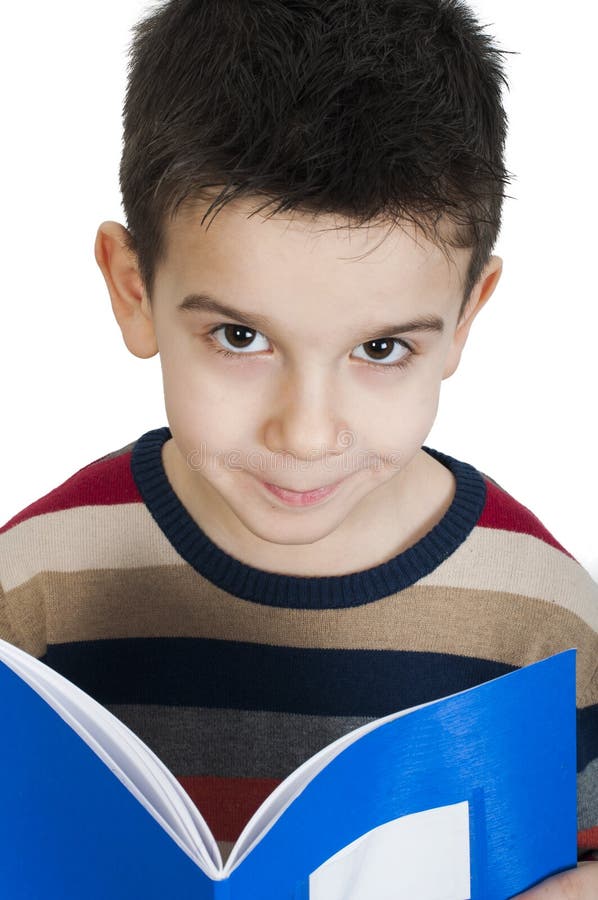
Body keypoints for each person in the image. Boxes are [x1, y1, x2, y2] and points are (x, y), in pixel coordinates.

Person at [1, 0, 597, 894]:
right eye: (241, 339)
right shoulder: (35, 586)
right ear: (134, 290)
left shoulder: (538, 617)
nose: (307, 434)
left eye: (382, 349)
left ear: (466, 319)